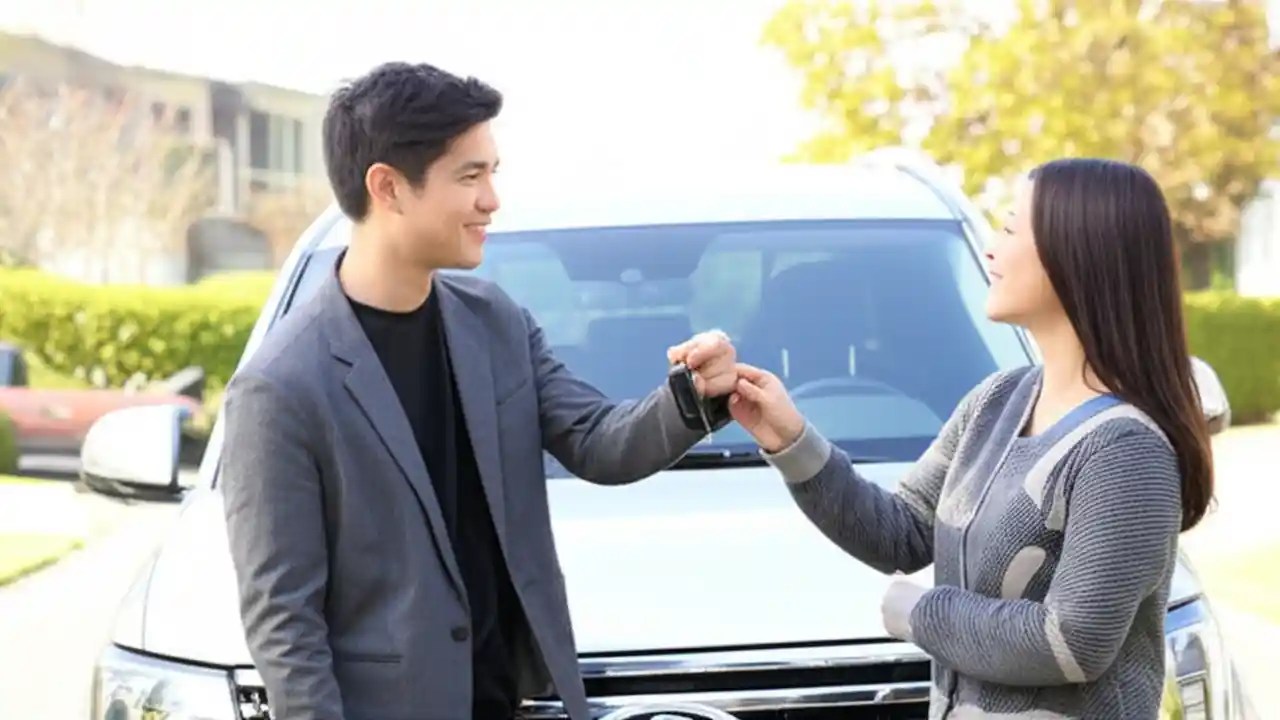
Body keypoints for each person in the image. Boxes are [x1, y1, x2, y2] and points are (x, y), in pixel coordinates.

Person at [218, 61, 737, 720]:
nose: (492, 198)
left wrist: (691, 396)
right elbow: (284, 625)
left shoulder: (495, 321)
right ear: (388, 187)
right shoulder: (281, 386)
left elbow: (598, 441)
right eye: (471, 176)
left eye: (493, 172)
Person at [714, 158, 1214, 719]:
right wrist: (790, 439)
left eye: (1008, 229)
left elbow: (1073, 642)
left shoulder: (1125, 451)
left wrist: (921, 612)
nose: (990, 252)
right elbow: (898, 534)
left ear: (1075, 252)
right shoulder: (995, 402)